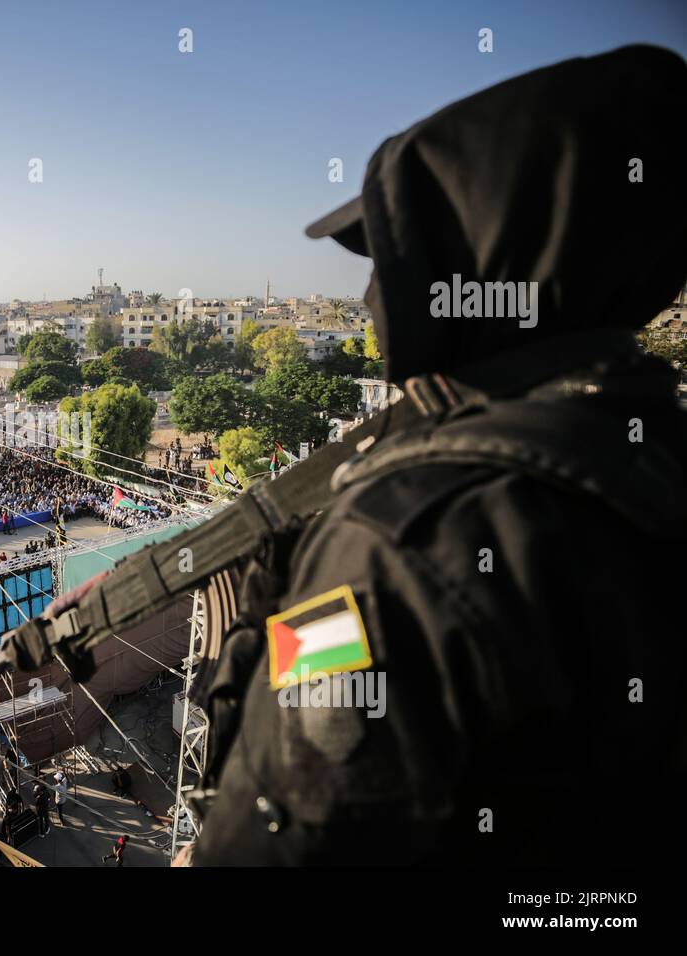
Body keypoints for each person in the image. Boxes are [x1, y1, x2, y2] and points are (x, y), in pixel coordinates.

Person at [190, 46, 687, 867]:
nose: (369, 297)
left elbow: (276, 836)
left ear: (466, 270)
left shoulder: (393, 539)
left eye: (388, 258)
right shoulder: (646, 450)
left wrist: (265, 621)